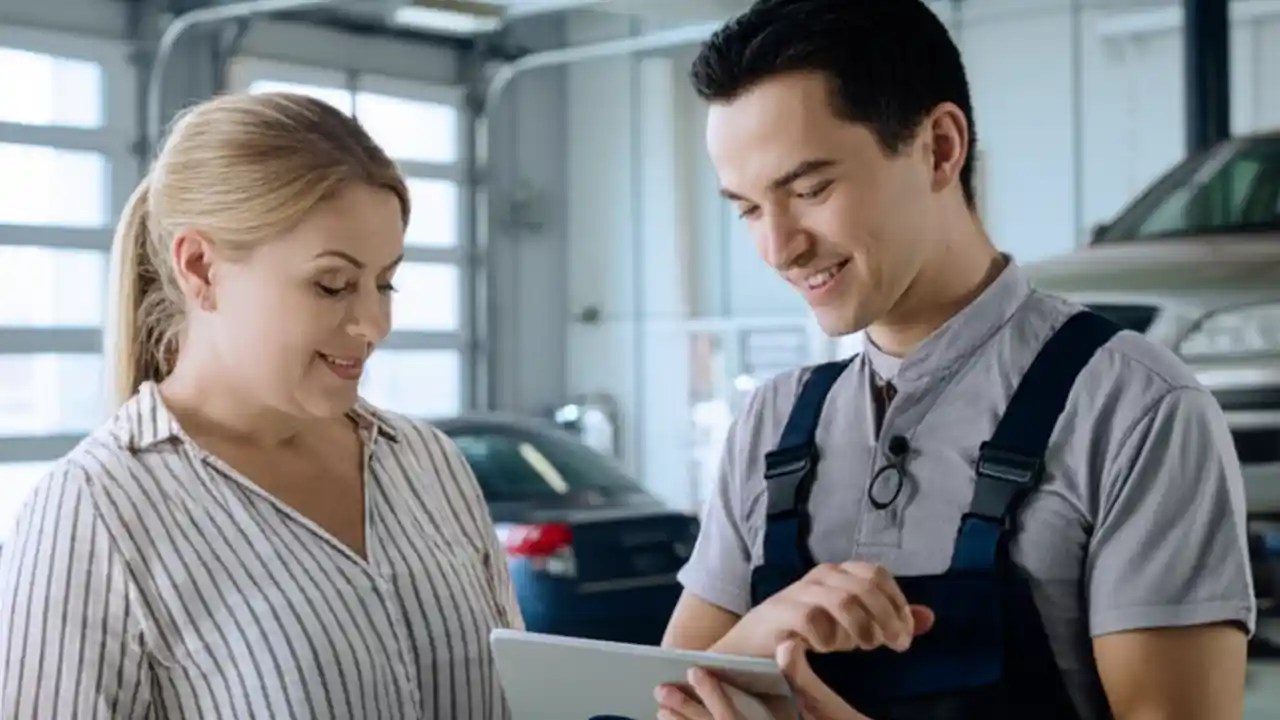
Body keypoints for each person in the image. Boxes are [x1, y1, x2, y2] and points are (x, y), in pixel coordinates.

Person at [656, 1, 1256, 718]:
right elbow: (665, 699)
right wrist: (756, 639)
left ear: (940, 148)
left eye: (811, 190)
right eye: (749, 209)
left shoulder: (1135, 411)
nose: (779, 248)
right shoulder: (771, 423)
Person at [0, 92, 521, 719]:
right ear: (201, 268)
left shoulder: (428, 464)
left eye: (385, 283)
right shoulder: (96, 512)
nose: (375, 323)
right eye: (332, 285)